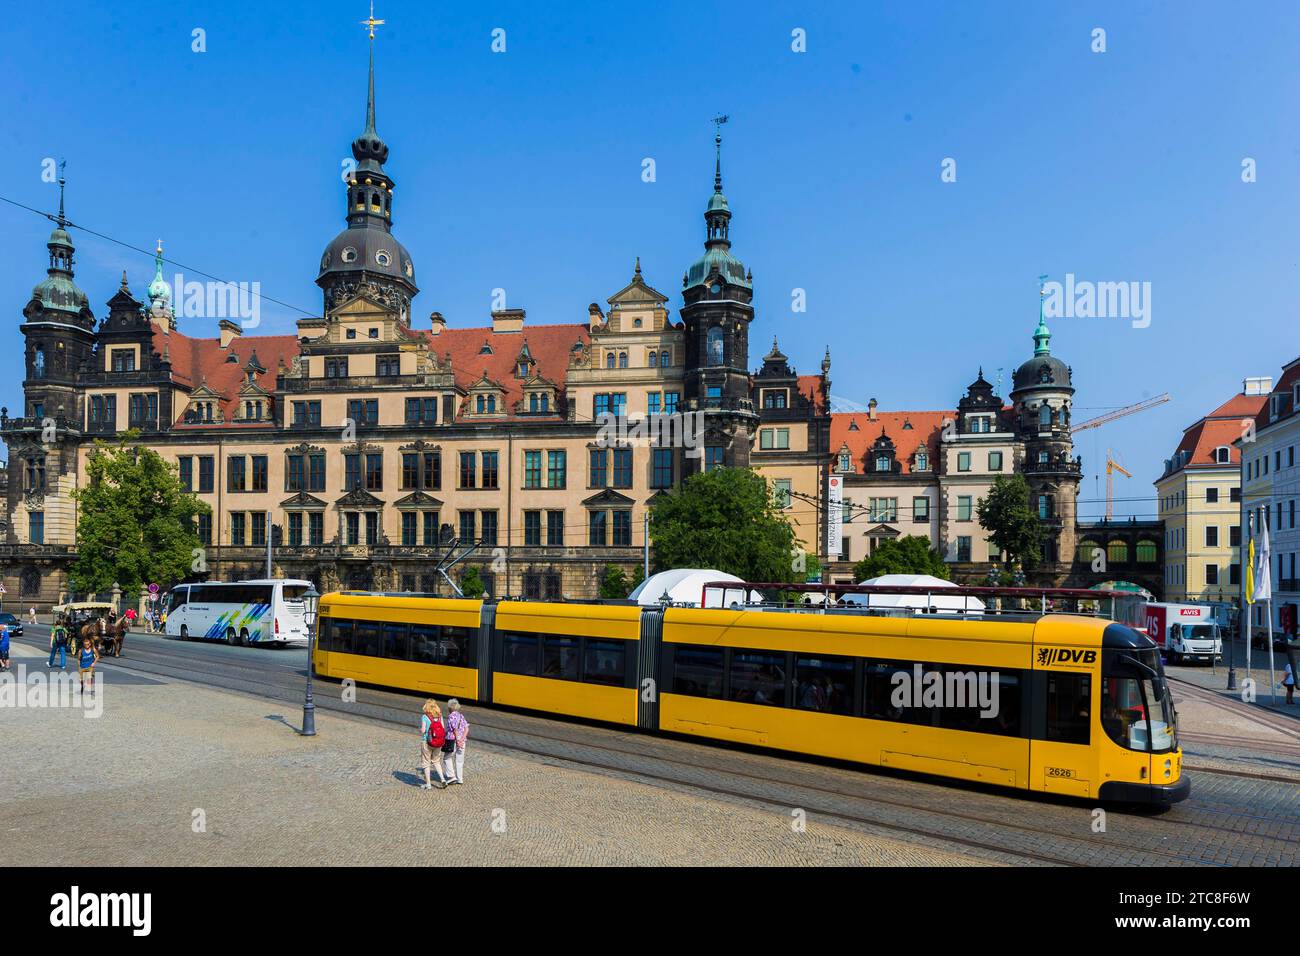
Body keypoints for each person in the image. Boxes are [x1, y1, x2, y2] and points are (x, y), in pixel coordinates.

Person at [418, 700, 448, 790]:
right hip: (438, 743)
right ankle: (443, 779)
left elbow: (423, 731)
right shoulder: (440, 716)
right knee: (436, 761)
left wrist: (421, 730)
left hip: (427, 742)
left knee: (426, 763)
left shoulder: (424, 717)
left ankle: (428, 784)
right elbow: (442, 728)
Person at [444, 699, 469, 785]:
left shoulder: (451, 716)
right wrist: (462, 740)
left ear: (450, 708)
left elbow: (455, 730)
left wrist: (458, 740)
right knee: (459, 760)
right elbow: (466, 728)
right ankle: (460, 779)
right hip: (462, 742)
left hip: (452, 741)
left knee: (447, 757)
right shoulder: (461, 716)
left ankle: (452, 776)